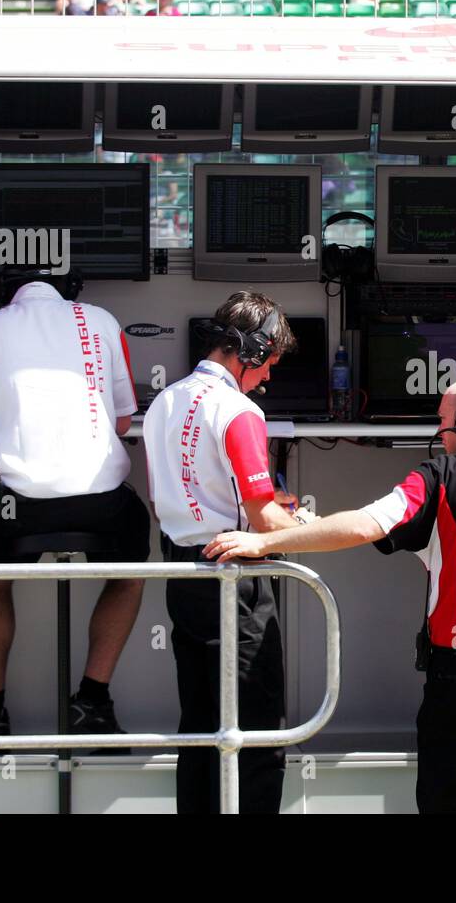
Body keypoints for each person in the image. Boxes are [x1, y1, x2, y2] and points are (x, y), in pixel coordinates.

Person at [206, 377, 456, 814]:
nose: (442, 433)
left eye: (444, 421)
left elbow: (365, 525)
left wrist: (263, 542)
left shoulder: (441, 475)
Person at [0, 268, 150, 743]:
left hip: (21, 508)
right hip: (101, 504)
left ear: (5, 294)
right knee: (129, 574)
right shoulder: (102, 320)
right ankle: (93, 699)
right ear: (68, 291)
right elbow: (123, 422)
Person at [142, 291, 307, 814]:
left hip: (182, 572)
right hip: (237, 581)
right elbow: (264, 519)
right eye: (268, 365)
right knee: (257, 734)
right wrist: (309, 525)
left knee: (199, 728)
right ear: (252, 351)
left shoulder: (164, 402)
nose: (268, 377)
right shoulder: (240, 410)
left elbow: (176, 491)